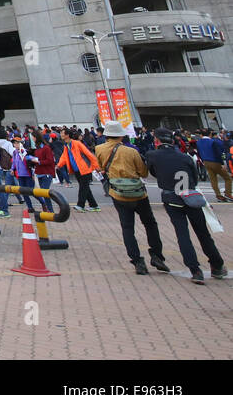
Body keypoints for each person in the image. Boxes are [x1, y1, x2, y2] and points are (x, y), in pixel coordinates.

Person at [146, 129, 226, 284]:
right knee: (203, 233)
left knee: (182, 234)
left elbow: (153, 172)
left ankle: (195, 270)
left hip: (171, 197)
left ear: (156, 140)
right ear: (173, 140)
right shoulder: (185, 157)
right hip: (190, 196)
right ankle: (217, 265)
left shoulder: (152, 155)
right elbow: (194, 178)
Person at [91, 120, 168, 276]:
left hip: (117, 193)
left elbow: (100, 167)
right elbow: (143, 172)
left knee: (127, 227)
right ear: (121, 135)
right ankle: (156, 256)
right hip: (138, 193)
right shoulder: (131, 151)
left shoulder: (99, 149)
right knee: (150, 223)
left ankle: (137, 261)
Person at [57, 128, 101, 211]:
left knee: (83, 188)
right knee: (85, 188)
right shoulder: (66, 145)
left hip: (84, 169)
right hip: (77, 170)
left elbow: (89, 154)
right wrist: (59, 165)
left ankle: (80, 205)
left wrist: (96, 166)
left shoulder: (77, 143)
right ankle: (94, 206)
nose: (61, 134)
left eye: (62, 133)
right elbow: (64, 156)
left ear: (67, 135)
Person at [196, 129, 232, 203]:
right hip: (215, 161)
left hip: (206, 161)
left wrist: (203, 160)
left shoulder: (198, 142)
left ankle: (218, 195)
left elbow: (199, 152)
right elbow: (217, 153)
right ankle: (228, 194)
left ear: (202, 135)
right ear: (210, 134)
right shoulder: (212, 141)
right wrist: (222, 163)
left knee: (213, 179)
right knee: (227, 178)